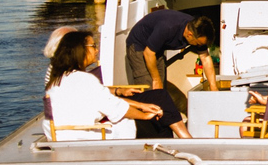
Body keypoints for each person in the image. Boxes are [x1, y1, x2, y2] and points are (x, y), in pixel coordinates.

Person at [44, 29, 191, 140]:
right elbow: (116, 109)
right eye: (93, 46)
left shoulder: (58, 80)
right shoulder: (83, 80)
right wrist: (145, 115)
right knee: (157, 117)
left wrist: (141, 106)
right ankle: (177, 148)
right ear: (80, 50)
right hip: (89, 135)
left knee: (157, 102)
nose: (96, 50)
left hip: (67, 134)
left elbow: (103, 100)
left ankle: (177, 144)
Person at [126, 9, 218, 91]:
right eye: (198, 44)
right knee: (149, 87)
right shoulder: (168, 27)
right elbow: (148, 53)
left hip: (156, 48)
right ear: (189, 35)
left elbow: (205, 58)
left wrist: (213, 87)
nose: (199, 46)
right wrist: (156, 80)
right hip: (139, 45)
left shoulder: (196, 30)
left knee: (160, 88)